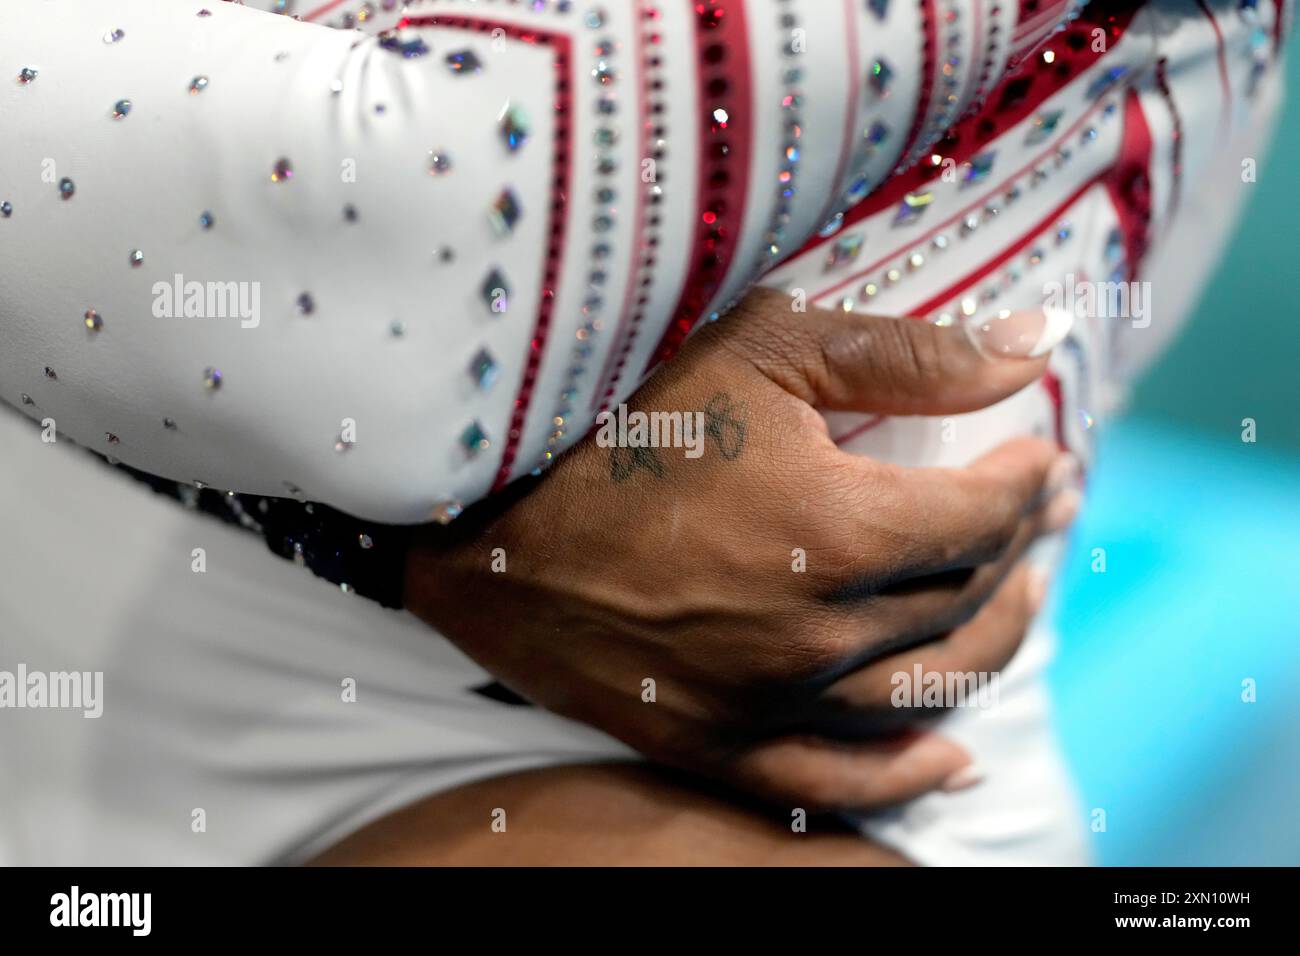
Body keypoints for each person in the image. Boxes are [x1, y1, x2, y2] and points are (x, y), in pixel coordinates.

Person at [0, 0, 1289, 865]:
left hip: (671, 786)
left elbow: (422, 249)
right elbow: (401, 275)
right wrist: (431, 534)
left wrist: (434, 514)